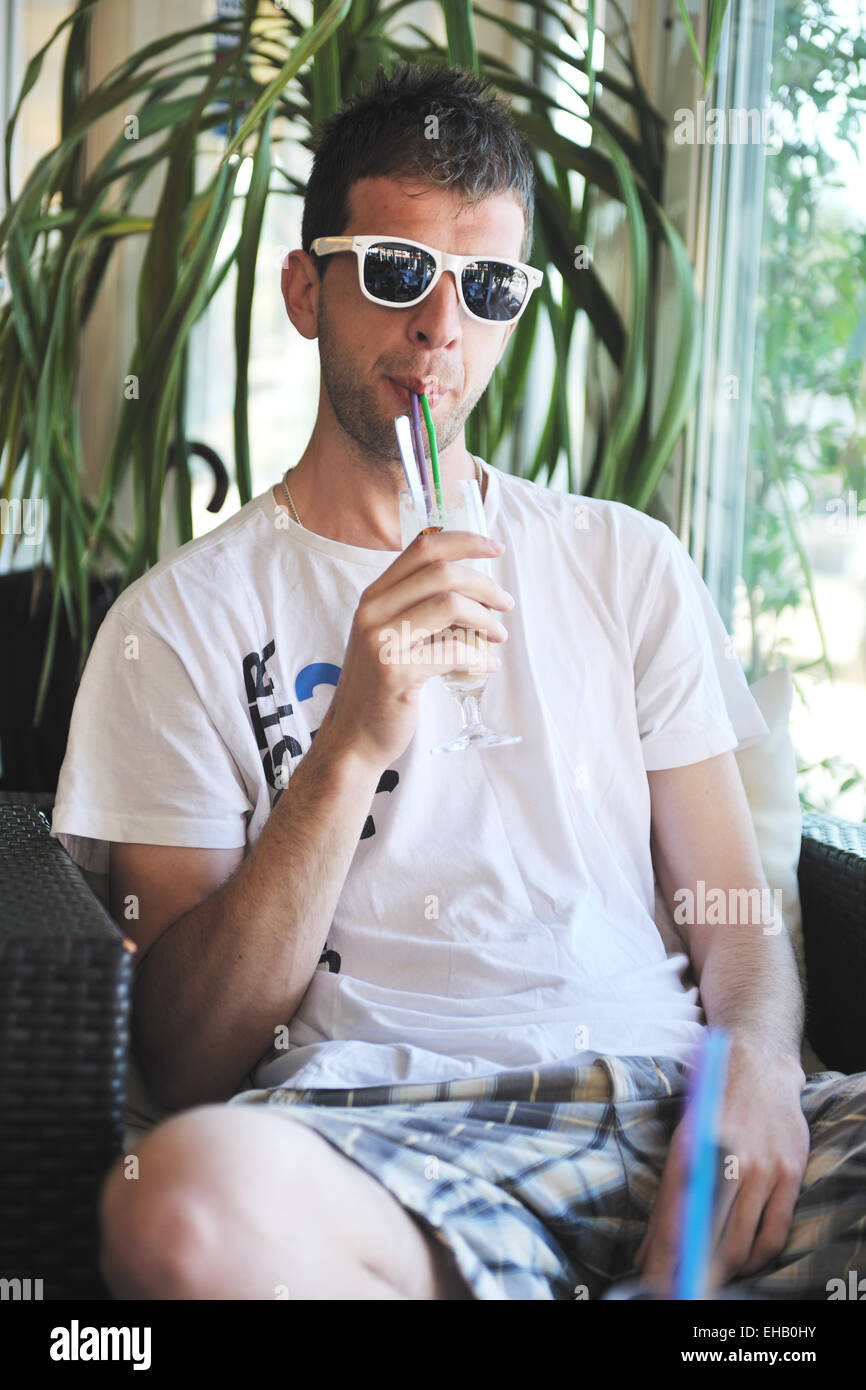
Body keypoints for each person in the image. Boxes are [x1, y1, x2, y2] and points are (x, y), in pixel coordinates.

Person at [51, 63, 864, 1301]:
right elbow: (187, 1047)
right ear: (303, 291)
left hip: (665, 1112)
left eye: (484, 286)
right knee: (180, 1209)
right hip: (377, 1136)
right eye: (393, 270)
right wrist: (350, 742)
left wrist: (752, 1066)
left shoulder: (622, 560)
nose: (439, 326)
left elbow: (735, 918)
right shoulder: (175, 626)